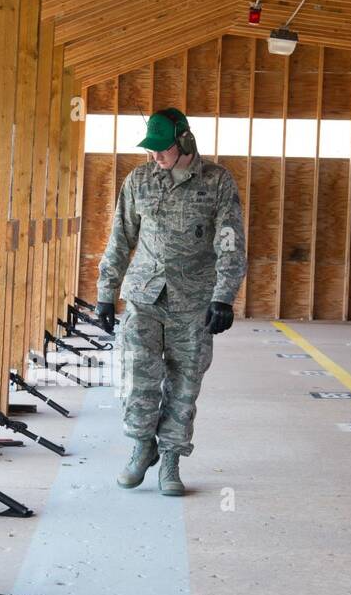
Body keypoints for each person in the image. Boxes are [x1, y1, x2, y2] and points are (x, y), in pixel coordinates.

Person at [96, 108, 247, 495]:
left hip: (193, 301)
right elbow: (120, 238)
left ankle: (171, 461)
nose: (155, 156)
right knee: (137, 376)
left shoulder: (217, 182)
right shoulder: (139, 180)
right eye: (150, 149)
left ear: (185, 142)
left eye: (162, 149)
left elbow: (229, 241)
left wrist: (224, 297)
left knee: (185, 383)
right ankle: (141, 446)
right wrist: (104, 293)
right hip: (144, 297)